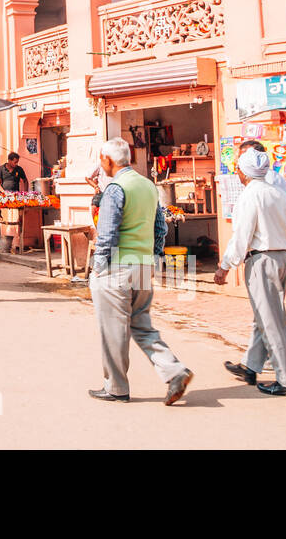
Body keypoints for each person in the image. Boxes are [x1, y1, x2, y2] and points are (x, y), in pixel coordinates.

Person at [88, 138, 193, 406]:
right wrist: (154, 256)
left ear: (108, 161)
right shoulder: (148, 185)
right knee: (141, 325)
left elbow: (107, 233)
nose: (101, 165)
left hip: (118, 268)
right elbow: (161, 227)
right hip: (143, 266)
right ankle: (174, 370)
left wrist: (98, 268)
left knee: (113, 330)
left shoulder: (115, 188)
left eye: (102, 160)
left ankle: (116, 387)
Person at [214, 148, 286, 396]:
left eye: (238, 169)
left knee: (270, 323)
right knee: (276, 320)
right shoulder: (279, 192)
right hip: (282, 257)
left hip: (261, 260)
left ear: (245, 172)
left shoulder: (250, 196)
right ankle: (265, 370)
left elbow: (241, 237)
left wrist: (225, 266)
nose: (237, 173)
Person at [237, 140, 286, 366]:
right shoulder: (266, 185)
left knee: (268, 311)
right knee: (266, 310)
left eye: (243, 159)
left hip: (268, 255)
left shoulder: (267, 186)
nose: (238, 166)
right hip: (278, 253)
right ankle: (252, 365)